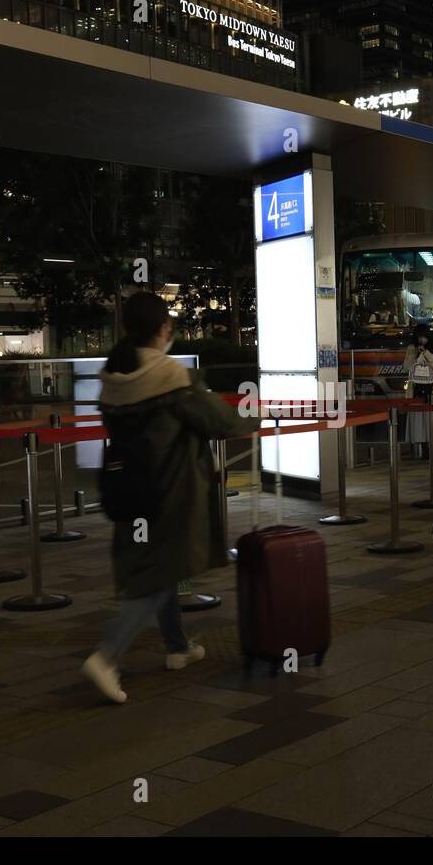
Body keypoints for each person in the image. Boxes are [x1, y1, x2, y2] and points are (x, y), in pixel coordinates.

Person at [81, 292, 257, 704]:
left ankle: (177, 646)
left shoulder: (113, 374)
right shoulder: (170, 377)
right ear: (163, 329)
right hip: (171, 491)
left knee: (160, 566)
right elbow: (219, 419)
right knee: (159, 576)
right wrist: (257, 415)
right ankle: (107, 657)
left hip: (127, 488)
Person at [402, 325, 433, 458]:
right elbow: (406, 367)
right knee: (418, 419)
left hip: (431, 389)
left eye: (424, 336)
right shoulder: (411, 348)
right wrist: (416, 355)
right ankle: (418, 449)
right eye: (419, 336)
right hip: (416, 389)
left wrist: (426, 353)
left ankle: (432, 449)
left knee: (432, 419)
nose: (422, 339)